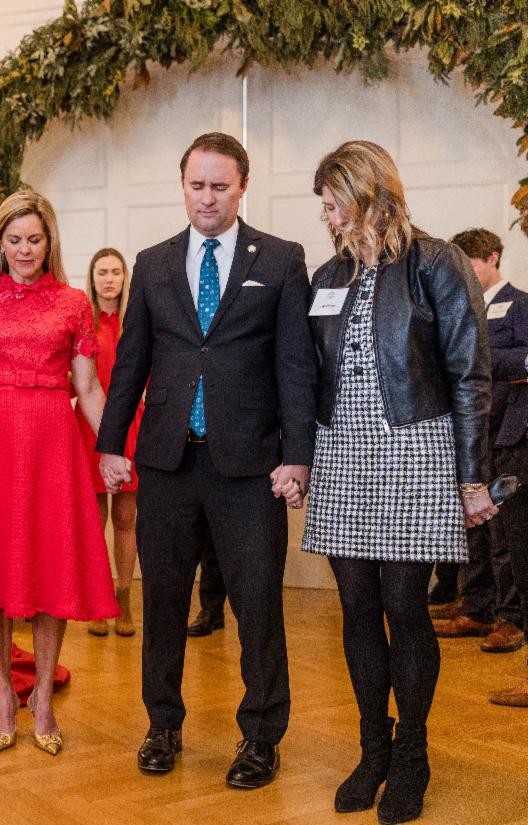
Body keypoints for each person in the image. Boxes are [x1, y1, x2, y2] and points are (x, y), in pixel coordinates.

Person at [99, 132, 316, 789]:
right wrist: (112, 442)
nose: (208, 198)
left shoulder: (279, 259)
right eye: (198, 185)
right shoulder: (154, 261)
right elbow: (131, 360)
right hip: (166, 461)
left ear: (242, 186)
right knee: (161, 601)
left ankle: (260, 736)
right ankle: (161, 724)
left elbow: (295, 367)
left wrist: (298, 454)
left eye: (221, 186)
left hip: (249, 466)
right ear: (183, 185)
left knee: (256, 606)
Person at [301, 141, 496, 824]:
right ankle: (372, 747)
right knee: (356, 609)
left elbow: (470, 372)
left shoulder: (435, 262)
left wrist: (473, 477)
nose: (324, 211)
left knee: (406, 608)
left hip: (416, 447)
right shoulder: (328, 272)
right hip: (341, 450)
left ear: (366, 192)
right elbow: (307, 376)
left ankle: (412, 752)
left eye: (331, 197)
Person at [0, 191, 117, 755]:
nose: (24, 250)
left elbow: (86, 386)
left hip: (51, 442)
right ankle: (4, 693)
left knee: (50, 564)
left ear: (49, 242)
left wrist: (112, 450)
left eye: (34, 239)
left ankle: (41, 696)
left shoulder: (73, 302)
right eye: (14, 240)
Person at [432, 228, 525, 655]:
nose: (464, 273)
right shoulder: (455, 306)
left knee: (506, 532)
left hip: (509, 432)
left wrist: (482, 359)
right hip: (465, 431)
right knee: (473, 527)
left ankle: (511, 616)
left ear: (492, 258)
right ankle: (475, 605)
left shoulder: (520, 304)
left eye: (470, 265)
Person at [75, 247, 139, 639]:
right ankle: (97, 601)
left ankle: (124, 600)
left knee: (127, 520)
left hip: (133, 424)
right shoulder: (83, 322)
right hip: (89, 426)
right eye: (103, 272)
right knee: (94, 520)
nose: (110, 279)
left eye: (116, 271)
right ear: (93, 277)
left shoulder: (135, 320)